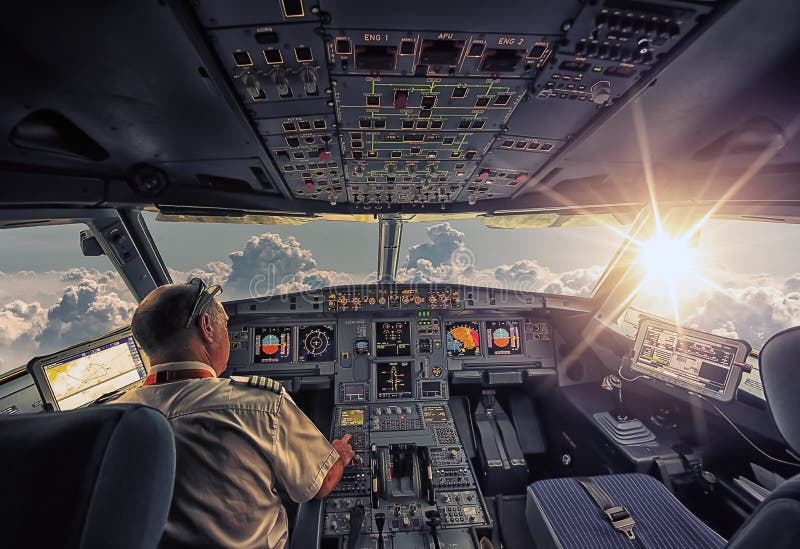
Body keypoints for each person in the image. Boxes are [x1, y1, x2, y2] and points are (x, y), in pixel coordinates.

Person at [112, 279, 354, 548]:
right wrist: (338, 456)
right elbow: (320, 484)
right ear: (207, 327)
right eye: (225, 326)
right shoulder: (261, 405)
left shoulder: (110, 420)